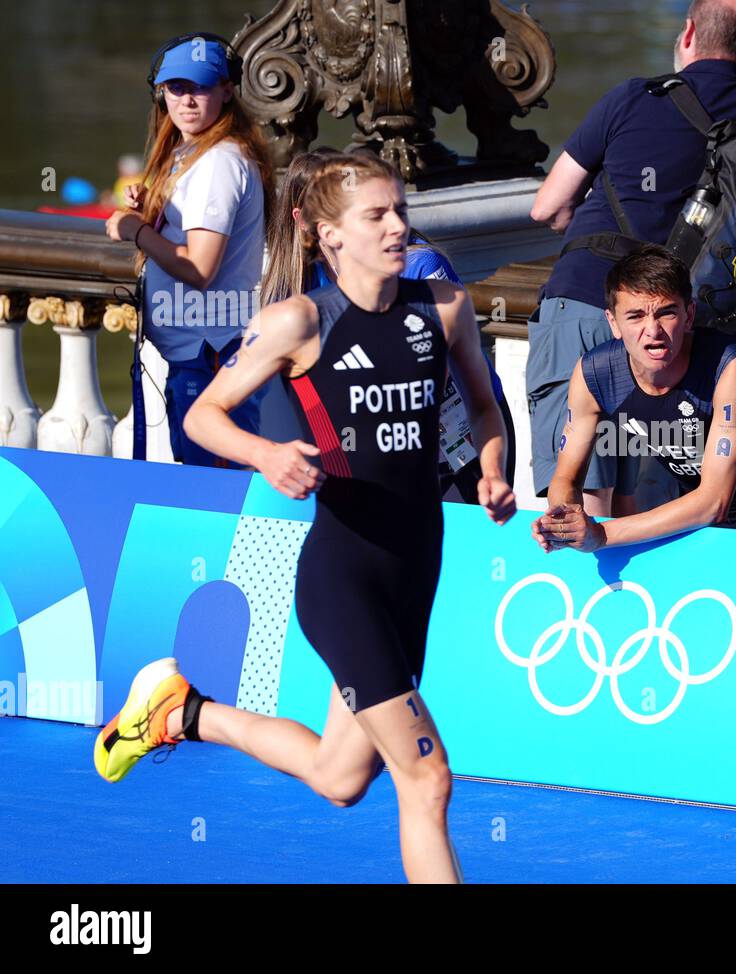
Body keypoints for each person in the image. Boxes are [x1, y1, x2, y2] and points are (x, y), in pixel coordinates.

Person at [93, 152, 516, 885]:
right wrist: (266, 455)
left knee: (340, 776)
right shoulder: (297, 322)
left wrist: (494, 468)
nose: (397, 227)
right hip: (343, 577)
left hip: (416, 571)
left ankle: (184, 712)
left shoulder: (444, 307)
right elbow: (204, 415)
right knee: (428, 779)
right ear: (330, 236)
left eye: (400, 210)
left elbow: (483, 407)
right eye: (376, 215)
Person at [527, 0, 736, 516]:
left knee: (581, 495)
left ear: (688, 33)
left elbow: (548, 206)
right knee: (651, 507)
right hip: (683, 336)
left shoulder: (632, 97)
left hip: (587, 301)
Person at [259, 148, 515, 499]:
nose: (394, 226)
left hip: (462, 435)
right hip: (369, 448)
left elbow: (431, 382)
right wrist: (268, 453)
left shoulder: (420, 265)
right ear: (309, 223)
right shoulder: (297, 291)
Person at [532, 246, 736, 553]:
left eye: (666, 313)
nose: (652, 331)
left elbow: (713, 502)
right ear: (613, 323)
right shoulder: (594, 374)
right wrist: (564, 520)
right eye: (635, 316)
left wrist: (600, 534)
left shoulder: (731, 365)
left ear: (689, 315)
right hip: (688, 510)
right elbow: (565, 477)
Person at [105, 33, 274, 467]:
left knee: (213, 491)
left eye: (200, 86)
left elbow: (199, 267)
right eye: (176, 88)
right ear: (160, 91)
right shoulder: (194, 151)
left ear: (227, 90)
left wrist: (134, 231)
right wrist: (155, 211)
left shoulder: (217, 163)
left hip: (210, 354)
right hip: (202, 352)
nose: (187, 100)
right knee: (202, 478)